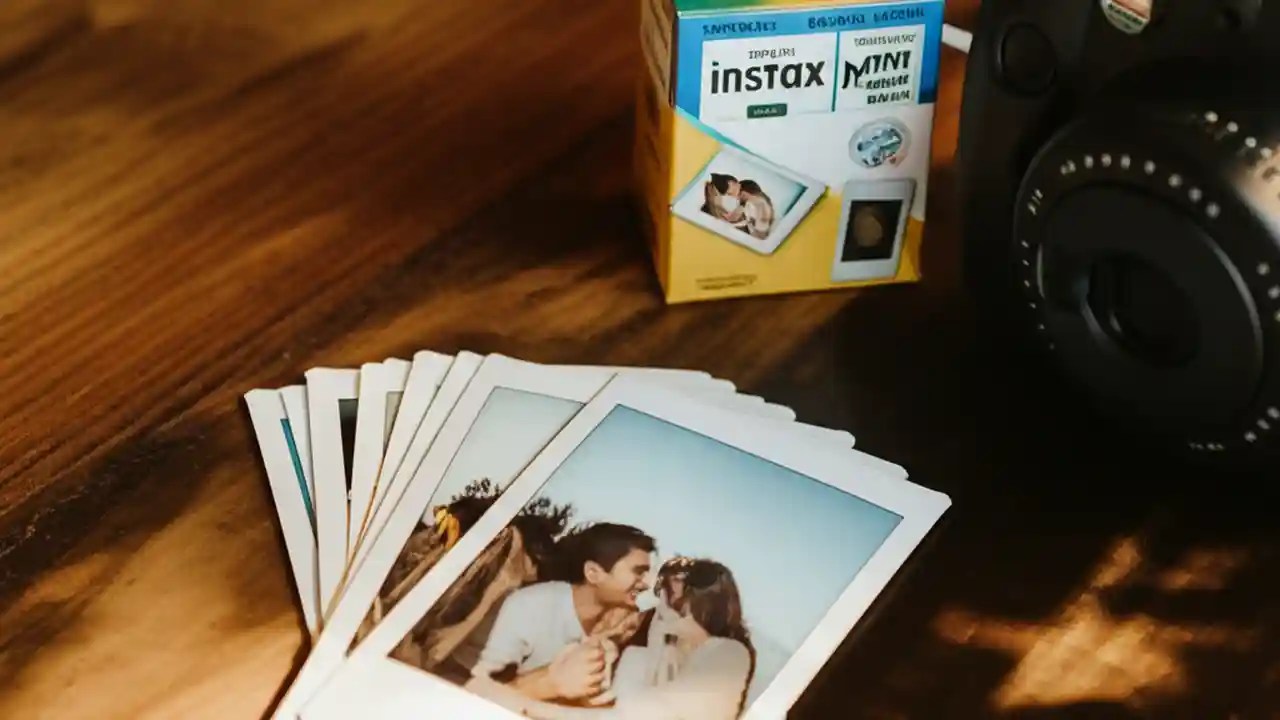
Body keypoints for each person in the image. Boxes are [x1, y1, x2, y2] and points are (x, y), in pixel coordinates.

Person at [526, 557, 757, 720]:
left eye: (674, 595)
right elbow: (614, 705)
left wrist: (540, 710)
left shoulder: (729, 653)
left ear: (703, 602)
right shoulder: (647, 654)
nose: (663, 605)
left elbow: (649, 713)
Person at [463, 522, 657, 714]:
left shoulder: (618, 624)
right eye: (638, 572)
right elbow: (476, 696)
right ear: (593, 573)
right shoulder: (531, 605)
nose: (647, 584)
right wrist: (550, 682)